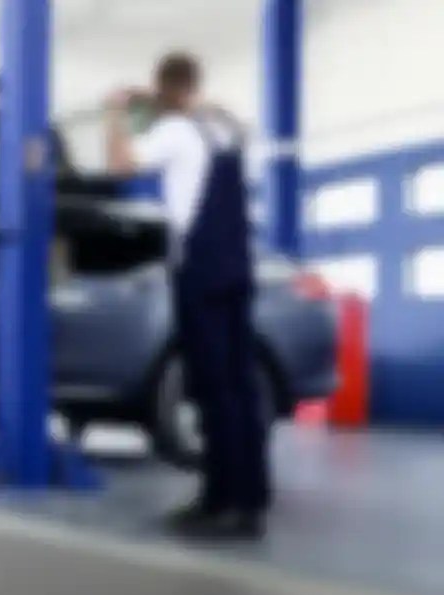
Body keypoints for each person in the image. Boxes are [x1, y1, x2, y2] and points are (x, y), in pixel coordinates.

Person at [104, 52, 270, 540]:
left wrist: (117, 112)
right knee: (240, 388)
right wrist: (174, 104)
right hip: (239, 269)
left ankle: (223, 505)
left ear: (164, 86)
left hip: (201, 271)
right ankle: (249, 499)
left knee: (213, 388)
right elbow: (229, 122)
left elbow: (120, 166)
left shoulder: (175, 132)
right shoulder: (225, 129)